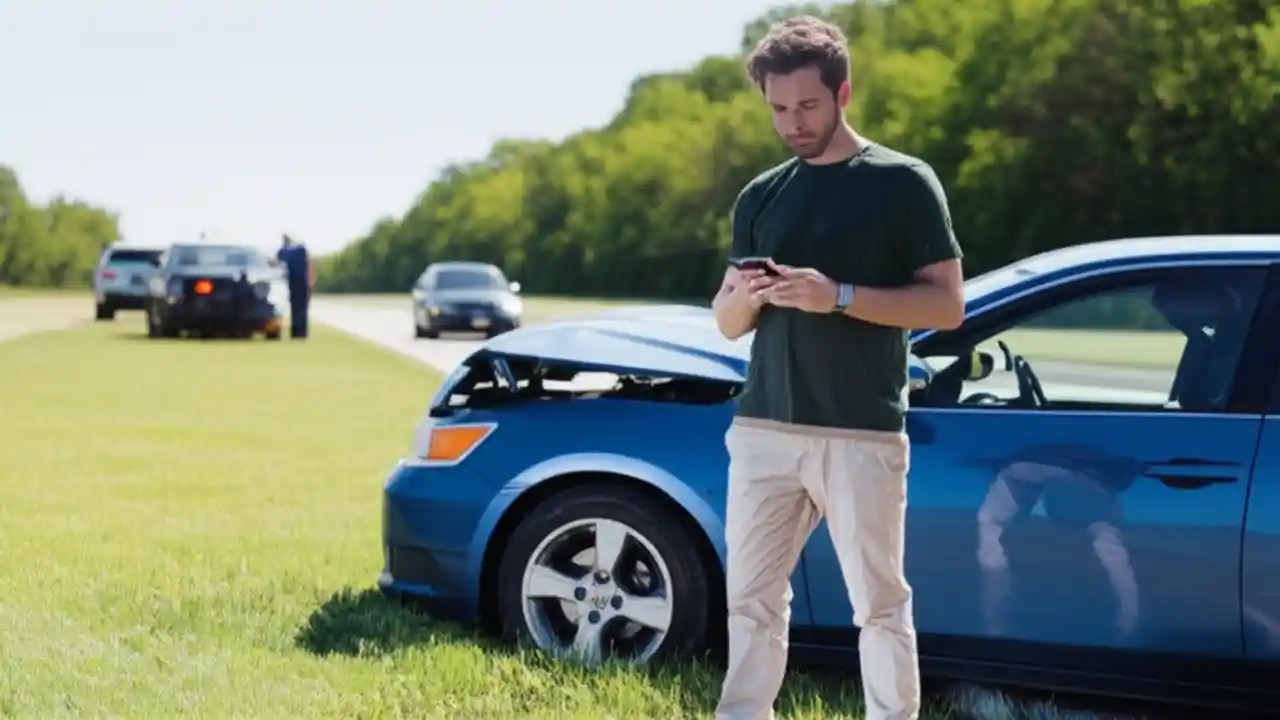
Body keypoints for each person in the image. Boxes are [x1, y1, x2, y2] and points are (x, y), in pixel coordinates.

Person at [711, 15, 965, 720]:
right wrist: (746, 299)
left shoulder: (903, 183)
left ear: (842, 91)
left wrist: (839, 297)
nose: (793, 123)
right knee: (752, 599)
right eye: (779, 109)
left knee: (879, 604)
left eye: (808, 106)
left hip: (860, 431)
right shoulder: (761, 196)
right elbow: (728, 322)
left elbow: (946, 306)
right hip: (764, 427)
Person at [276, 233, 314, 339]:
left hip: (288, 282)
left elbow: (278, 266)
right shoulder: (301, 249)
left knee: (287, 309)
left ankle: (291, 332)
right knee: (301, 308)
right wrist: (311, 283)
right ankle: (301, 333)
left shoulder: (282, 251)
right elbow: (309, 266)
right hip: (301, 281)